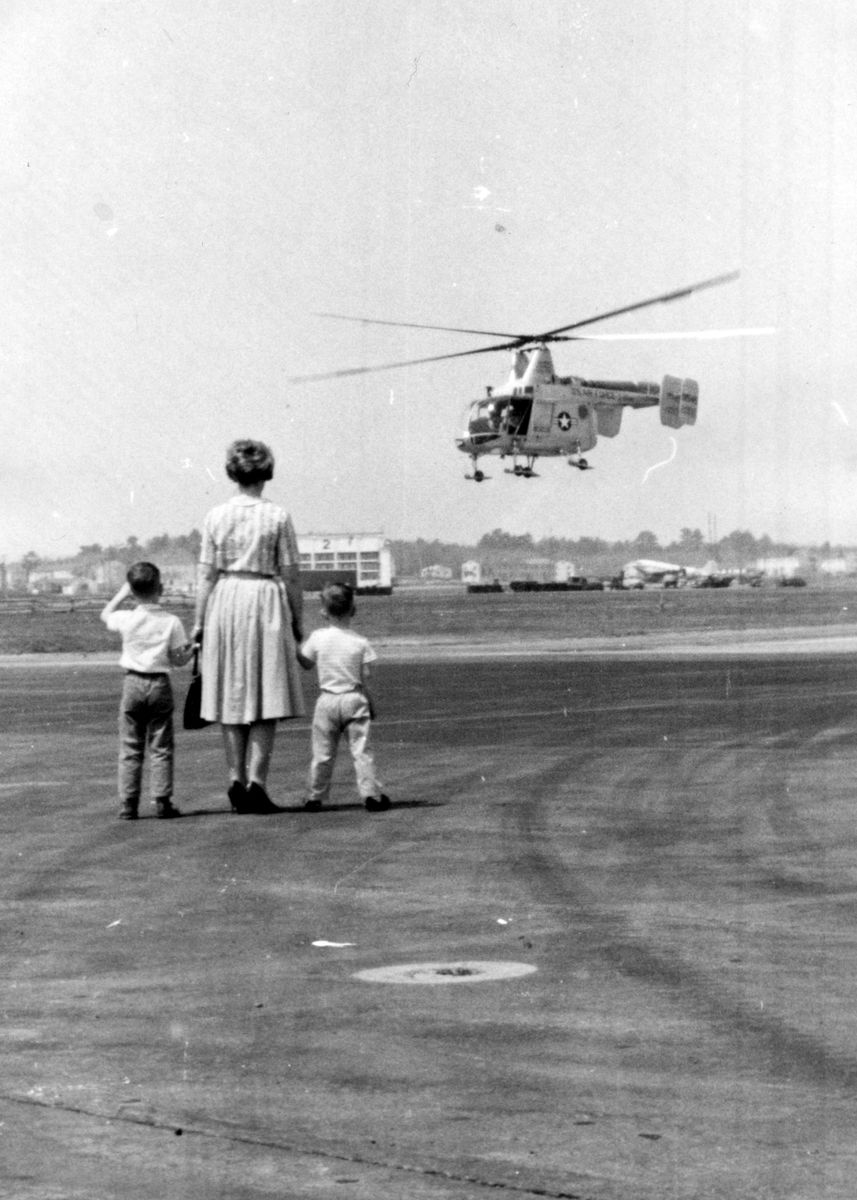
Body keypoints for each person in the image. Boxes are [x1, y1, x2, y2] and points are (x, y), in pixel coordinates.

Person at [192, 439, 306, 814]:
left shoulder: (215, 516)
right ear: (266, 472)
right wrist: (296, 620)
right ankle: (257, 782)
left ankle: (235, 779)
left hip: (225, 599)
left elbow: (206, 575)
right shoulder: (278, 516)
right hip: (263, 597)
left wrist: (199, 622)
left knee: (229, 695)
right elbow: (290, 574)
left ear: (232, 472)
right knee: (265, 694)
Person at [100, 561, 194, 820]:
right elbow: (177, 659)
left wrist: (122, 593)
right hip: (159, 683)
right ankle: (162, 799)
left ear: (133, 589)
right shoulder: (172, 622)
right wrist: (191, 649)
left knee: (130, 745)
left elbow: (105, 614)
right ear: (160, 588)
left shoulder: (126, 618)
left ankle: (128, 803)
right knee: (161, 744)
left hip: (132, 682)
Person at [298, 581, 390, 812]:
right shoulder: (361, 642)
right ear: (352, 609)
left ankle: (314, 796)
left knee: (322, 753)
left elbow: (306, 663)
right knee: (362, 751)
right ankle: (370, 794)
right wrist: (371, 702)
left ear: (323, 612)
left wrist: (295, 644)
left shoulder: (318, 637)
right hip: (354, 697)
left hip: (327, 699)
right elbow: (366, 677)